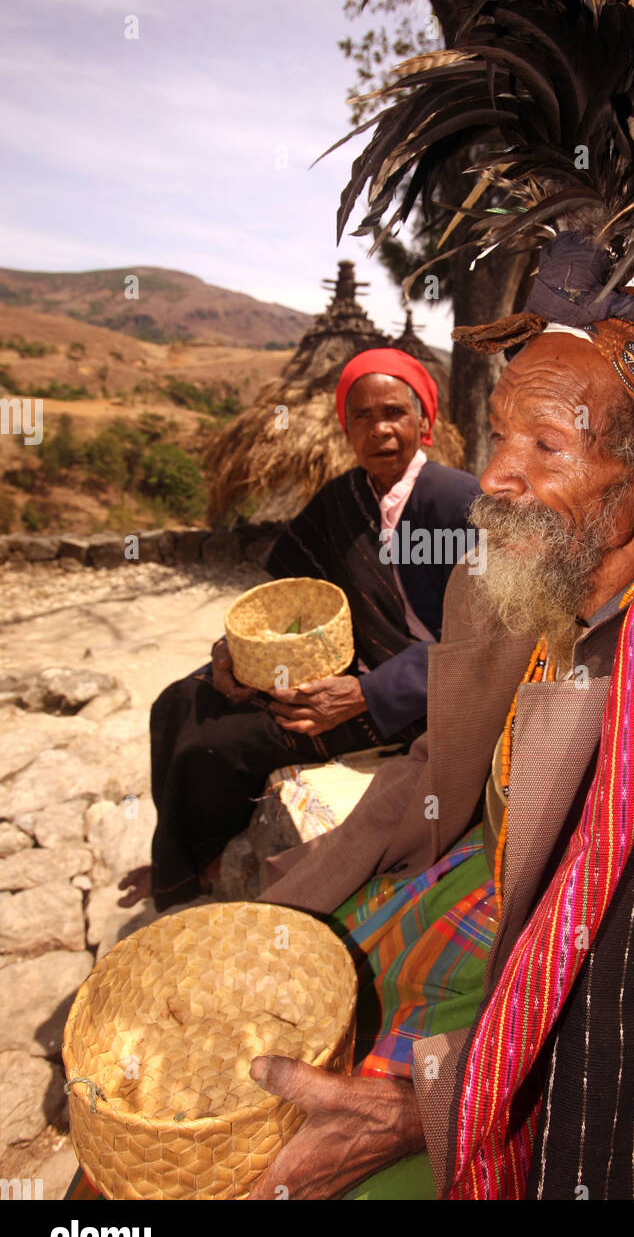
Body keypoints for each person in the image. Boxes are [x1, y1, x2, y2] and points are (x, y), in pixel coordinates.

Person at [244, 248, 634, 1202]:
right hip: (471, 885)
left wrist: (438, 1108)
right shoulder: (505, 582)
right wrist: (301, 896)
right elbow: (440, 764)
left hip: (586, 999)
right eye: (499, 433)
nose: (495, 475)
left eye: (547, 444)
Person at [119, 348, 480, 912]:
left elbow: (480, 642)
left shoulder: (455, 500)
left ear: (423, 421)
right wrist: (231, 652)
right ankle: (179, 857)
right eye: (362, 416)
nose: (379, 429)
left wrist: (364, 694)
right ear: (346, 428)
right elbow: (290, 599)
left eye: (394, 412)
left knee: (221, 742)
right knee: (180, 700)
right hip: (343, 663)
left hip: (409, 696)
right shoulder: (344, 499)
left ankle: (199, 869)